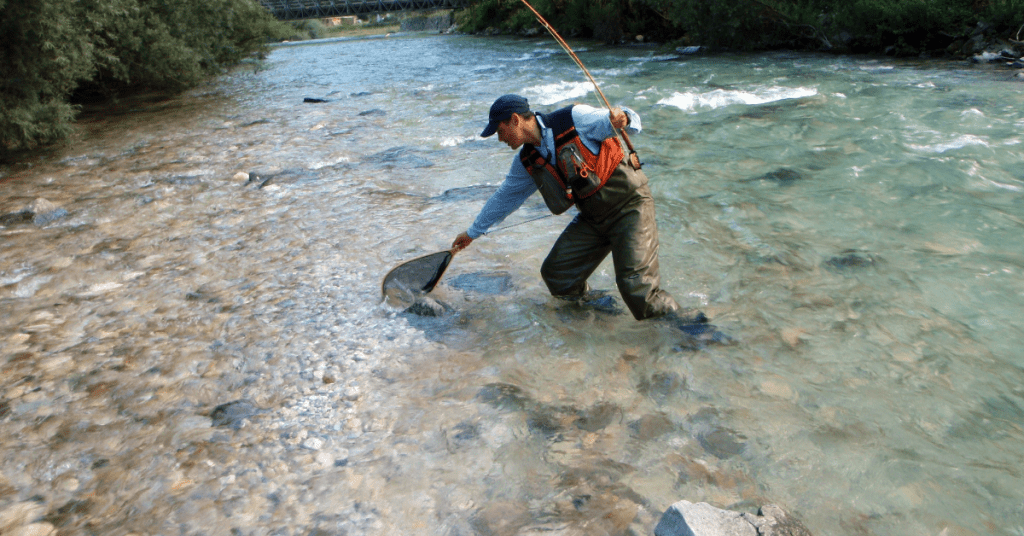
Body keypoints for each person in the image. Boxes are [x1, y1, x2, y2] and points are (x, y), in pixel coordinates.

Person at [452, 94, 706, 327]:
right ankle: (600, 313)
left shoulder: (574, 118)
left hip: (631, 206)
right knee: (557, 275)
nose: (500, 138)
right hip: (593, 219)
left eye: (500, 131)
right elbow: (504, 198)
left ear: (515, 120)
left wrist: (624, 118)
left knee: (637, 288)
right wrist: (472, 233)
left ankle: (695, 330)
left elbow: (629, 121)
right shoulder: (527, 161)